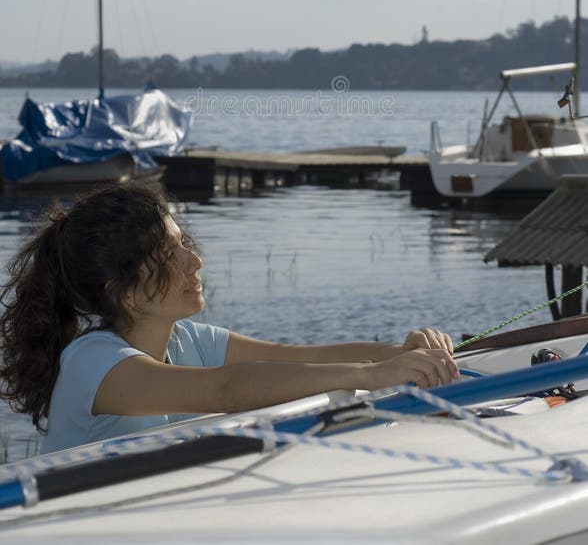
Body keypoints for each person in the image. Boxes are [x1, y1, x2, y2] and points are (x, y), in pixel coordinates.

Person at [0, 183, 459, 454]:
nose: (194, 262)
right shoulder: (94, 363)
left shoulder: (186, 341)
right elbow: (227, 389)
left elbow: (301, 358)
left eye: (185, 244)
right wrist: (375, 375)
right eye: (168, 253)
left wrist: (401, 354)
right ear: (126, 293)